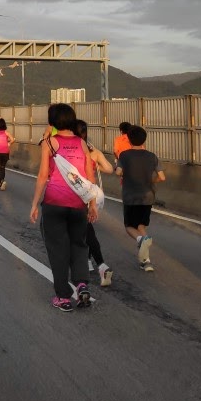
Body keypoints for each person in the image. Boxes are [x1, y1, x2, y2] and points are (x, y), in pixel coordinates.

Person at [29, 103, 98, 312]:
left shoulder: (49, 143)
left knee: (58, 249)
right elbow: (89, 177)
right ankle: (82, 284)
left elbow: (42, 175)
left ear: (53, 121)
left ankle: (63, 297)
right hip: (79, 203)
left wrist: (34, 204)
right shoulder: (82, 143)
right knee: (79, 245)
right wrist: (92, 204)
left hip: (54, 202)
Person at [117, 125, 165, 272]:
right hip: (148, 197)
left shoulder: (124, 155)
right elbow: (162, 177)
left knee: (129, 226)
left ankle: (141, 240)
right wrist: (151, 181)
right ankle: (147, 261)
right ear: (144, 140)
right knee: (141, 226)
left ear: (129, 140)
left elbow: (118, 172)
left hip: (131, 196)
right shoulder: (152, 156)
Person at [74, 119, 115, 286]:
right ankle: (92, 262)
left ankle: (99, 264)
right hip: (93, 195)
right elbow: (109, 169)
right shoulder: (93, 152)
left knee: (82, 232)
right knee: (86, 229)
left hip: (77, 196)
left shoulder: (69, 151)